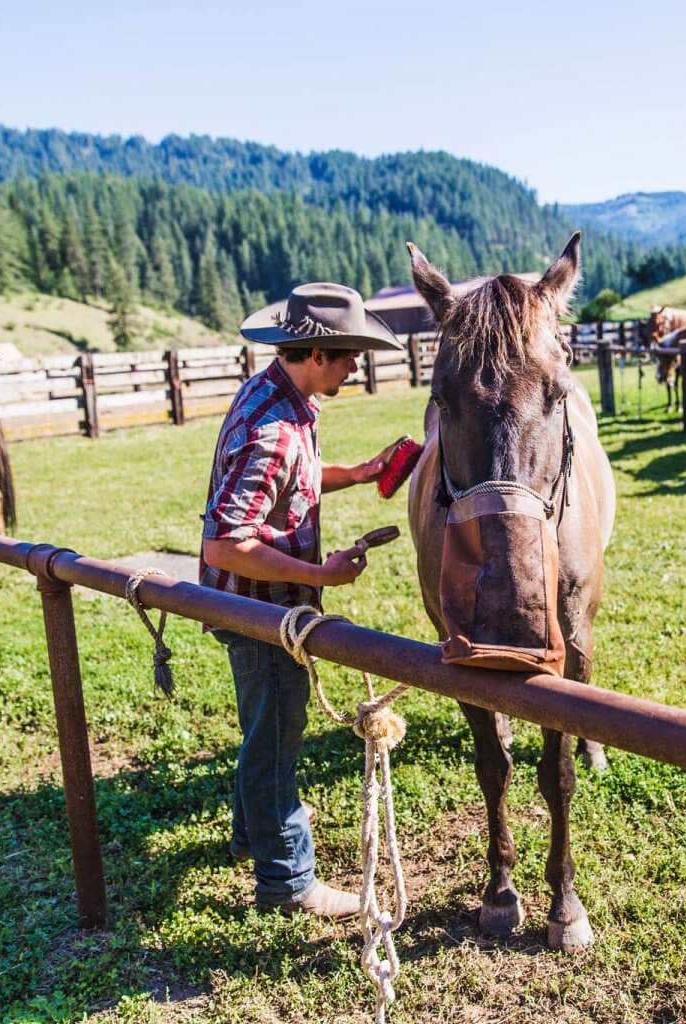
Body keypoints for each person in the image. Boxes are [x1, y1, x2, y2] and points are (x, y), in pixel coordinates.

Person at [200, 282, 404, 918]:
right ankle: (288, 878)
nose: (354, 368)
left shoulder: (276, 397)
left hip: (255, 605)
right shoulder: (274, 429)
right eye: (350, 358)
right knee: (277, 734)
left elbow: (294, 481)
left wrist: (363, 473)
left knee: (264, 726)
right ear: (318, 354)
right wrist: (324, 578)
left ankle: (250, 831)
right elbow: (225, 544)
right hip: (262, 613)